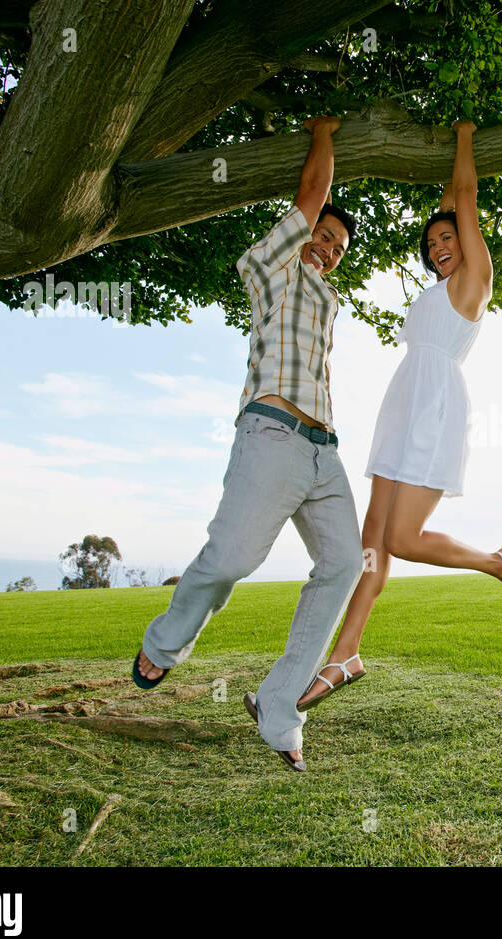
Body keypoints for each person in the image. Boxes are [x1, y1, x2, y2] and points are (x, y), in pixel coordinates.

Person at [131, 116, 364, 773]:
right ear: (298, 232)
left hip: (324, 452)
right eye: (323, 234)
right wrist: (323, 133)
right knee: (233, 557)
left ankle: (278, 704)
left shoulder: (325, 300)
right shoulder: (270, 270)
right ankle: (167, 640)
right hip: (270, 435)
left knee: (346, 563)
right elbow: (313, 189)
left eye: (339, 247)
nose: (328, 247)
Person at [295, 119, 502, 714]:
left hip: (436, 409)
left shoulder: (475, 282)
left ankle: (495, 563)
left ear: (468, 241)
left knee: (402, 538)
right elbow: (450, 205)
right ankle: (346, 654)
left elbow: (464, 198)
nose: (437, 248)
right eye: (430, 246)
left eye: (446, 239)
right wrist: (444, 206)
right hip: (401, 407)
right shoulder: (437, 288)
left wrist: (464, 137)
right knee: (371, 543)